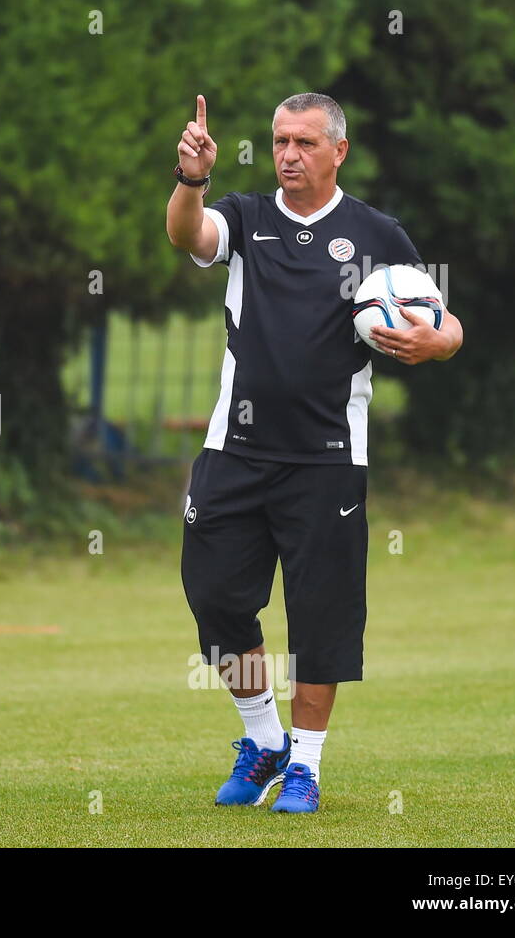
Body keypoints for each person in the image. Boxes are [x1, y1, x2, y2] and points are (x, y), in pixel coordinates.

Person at [165, 92, 463, 813]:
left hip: (329, 456)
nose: (289, 155)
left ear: (339, 150)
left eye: (303, 142)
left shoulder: (375, 233)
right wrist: (192, 179)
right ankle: (263, 737)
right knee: (215, 599)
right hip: (232, 450)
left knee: (321, 619)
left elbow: (442, 317)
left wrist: (437, 341)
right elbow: (187, 236)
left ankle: (305, 767)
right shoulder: (245, 215)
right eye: (279, 142)